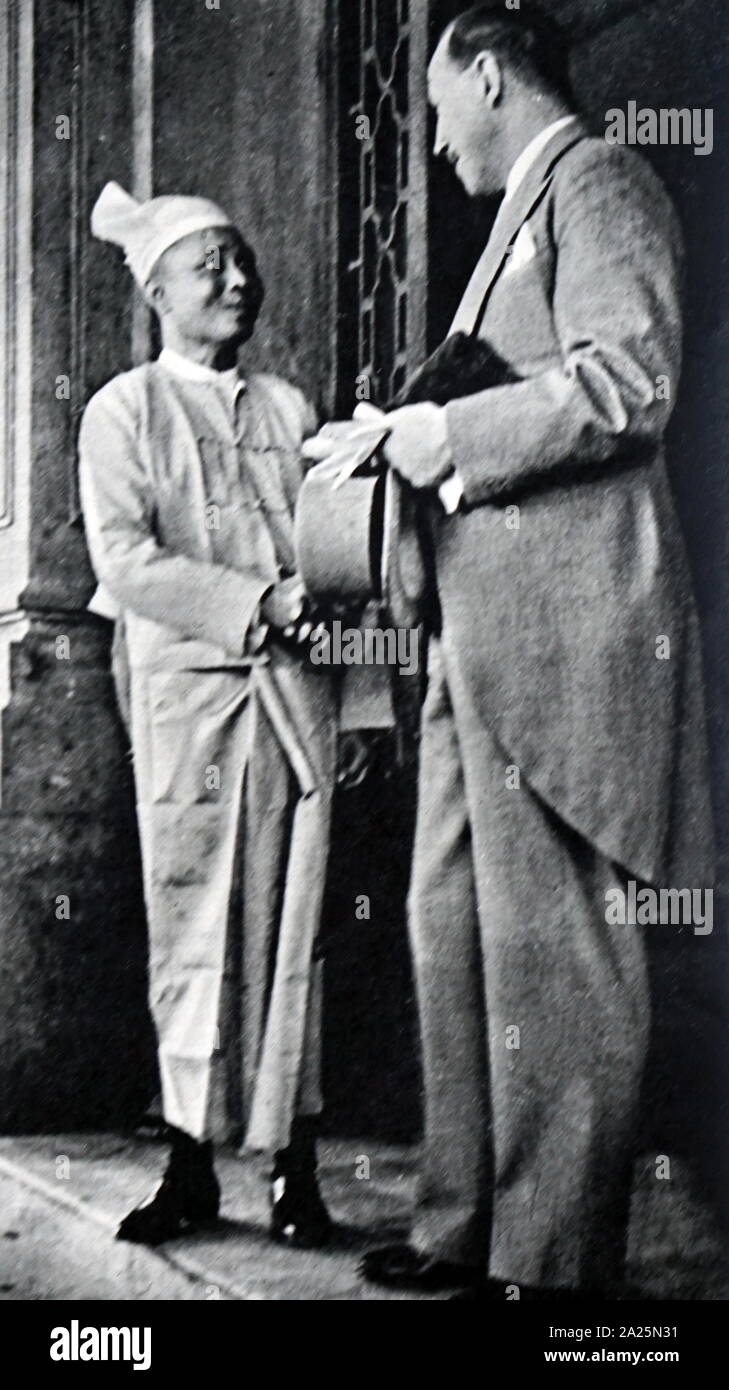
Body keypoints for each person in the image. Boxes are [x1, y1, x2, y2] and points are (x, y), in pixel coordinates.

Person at [311, 4, 714, 1297]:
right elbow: (521, 384)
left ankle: (545, 1262)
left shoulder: (600, 179)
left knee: (555, 950)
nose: (432, 142)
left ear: (493, 75)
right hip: (476, 634)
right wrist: (399, 432)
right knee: (450, 926)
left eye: (439, 108)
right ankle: (458, 1222)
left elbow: (631, 377)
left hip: (563, 637)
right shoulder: (519, 212)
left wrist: (451, 441)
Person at [80, 181, 355, 1248]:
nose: (240, 281)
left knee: (300, 929)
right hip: (187, 705)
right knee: (191, 927)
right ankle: (192, 1164)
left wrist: (353, 690)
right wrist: (255, 602)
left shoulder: (290, 412)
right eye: (212, 267)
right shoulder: (125, 410)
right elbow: (128, 561)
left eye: (243, 261)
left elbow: (334, 560)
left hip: (294, 704)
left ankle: (295, 1167)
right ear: (158, 291)